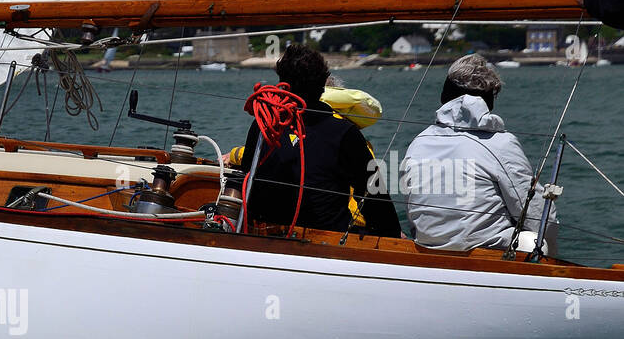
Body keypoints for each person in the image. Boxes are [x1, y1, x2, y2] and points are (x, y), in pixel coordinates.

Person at [236, 44, 401, 237]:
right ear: (323, 83)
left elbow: (247, 176)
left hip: (267, 235)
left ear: (282, 82)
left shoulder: (263, 124)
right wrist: (394, 236)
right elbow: (374, 194)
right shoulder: (344, 132)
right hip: (328, 240)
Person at [400, 54, 558, 254]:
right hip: (483, 251)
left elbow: (412, 207)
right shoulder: (500, 143)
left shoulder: (419, 142)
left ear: (444, 96)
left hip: (428, 246)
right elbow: (536, 215)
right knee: (535, 239)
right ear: (489, 100)